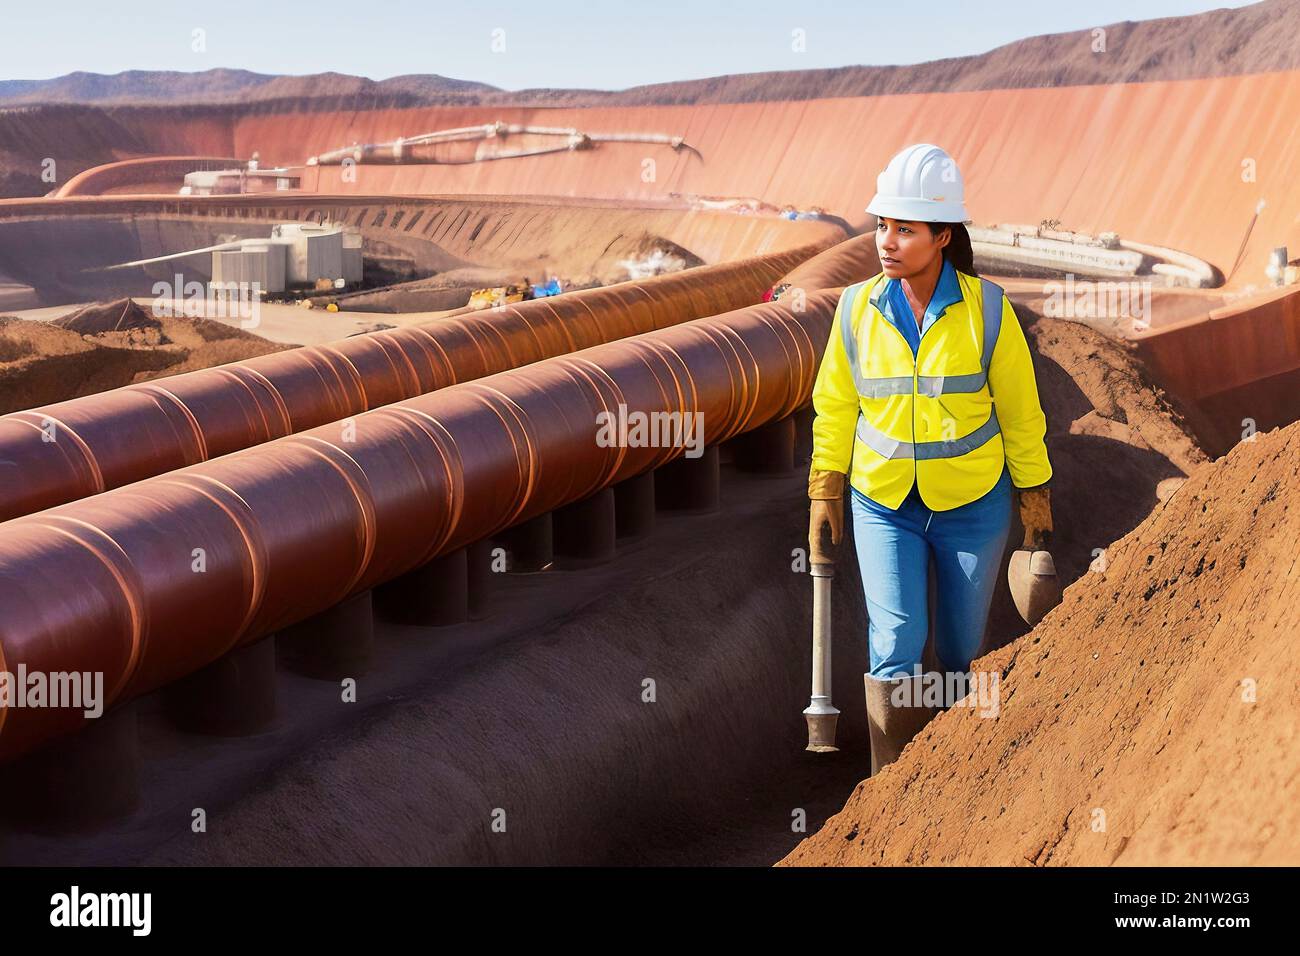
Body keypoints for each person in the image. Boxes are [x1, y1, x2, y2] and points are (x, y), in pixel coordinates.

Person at [807, 143, 1054, 774]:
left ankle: (955, 784)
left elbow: (1021, 412)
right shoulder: (856, 311)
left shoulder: (988, 310)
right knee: (895, 643)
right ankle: (891, 786)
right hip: (882, 501)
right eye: (882, 226)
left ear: (943, 235)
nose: (886, 241)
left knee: (962, 648)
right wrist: (826, 487)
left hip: (974, 503)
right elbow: (834, 404)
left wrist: (1035, 495)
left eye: (905, 229)